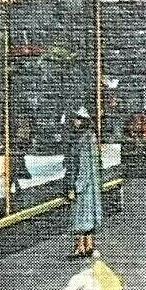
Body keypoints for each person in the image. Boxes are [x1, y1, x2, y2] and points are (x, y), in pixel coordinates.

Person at [65, 106, 104, 258]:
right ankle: (89, 246)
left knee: (80, 217)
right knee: (88, 218)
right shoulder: (90, 138)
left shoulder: (83, 140)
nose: (75, 122)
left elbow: (83, 166)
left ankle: (80, 247)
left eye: (78, 119)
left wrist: (76, 187)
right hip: (92, 185)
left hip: (84, 186)